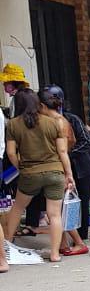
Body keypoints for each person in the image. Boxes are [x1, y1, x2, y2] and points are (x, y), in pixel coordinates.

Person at [2, 88, 74, 264]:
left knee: (18, 208)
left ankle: (7, 244)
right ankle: (55, 254)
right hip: (55, 172)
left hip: (29, 173)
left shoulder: (13, 124)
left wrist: (21, 167)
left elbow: (10, 153)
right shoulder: (53, 123)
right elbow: (62, 151)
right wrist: (68, 174)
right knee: (54, 214)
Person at [38, 87, 89, 256]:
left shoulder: (61, 121)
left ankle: (79, 242)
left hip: (69, 167)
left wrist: (68, 173)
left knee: (59, 211)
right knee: (59, 209)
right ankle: (64, 244)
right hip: (61, 168)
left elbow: (64, 150)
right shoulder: (54, 120)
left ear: (43, 105)